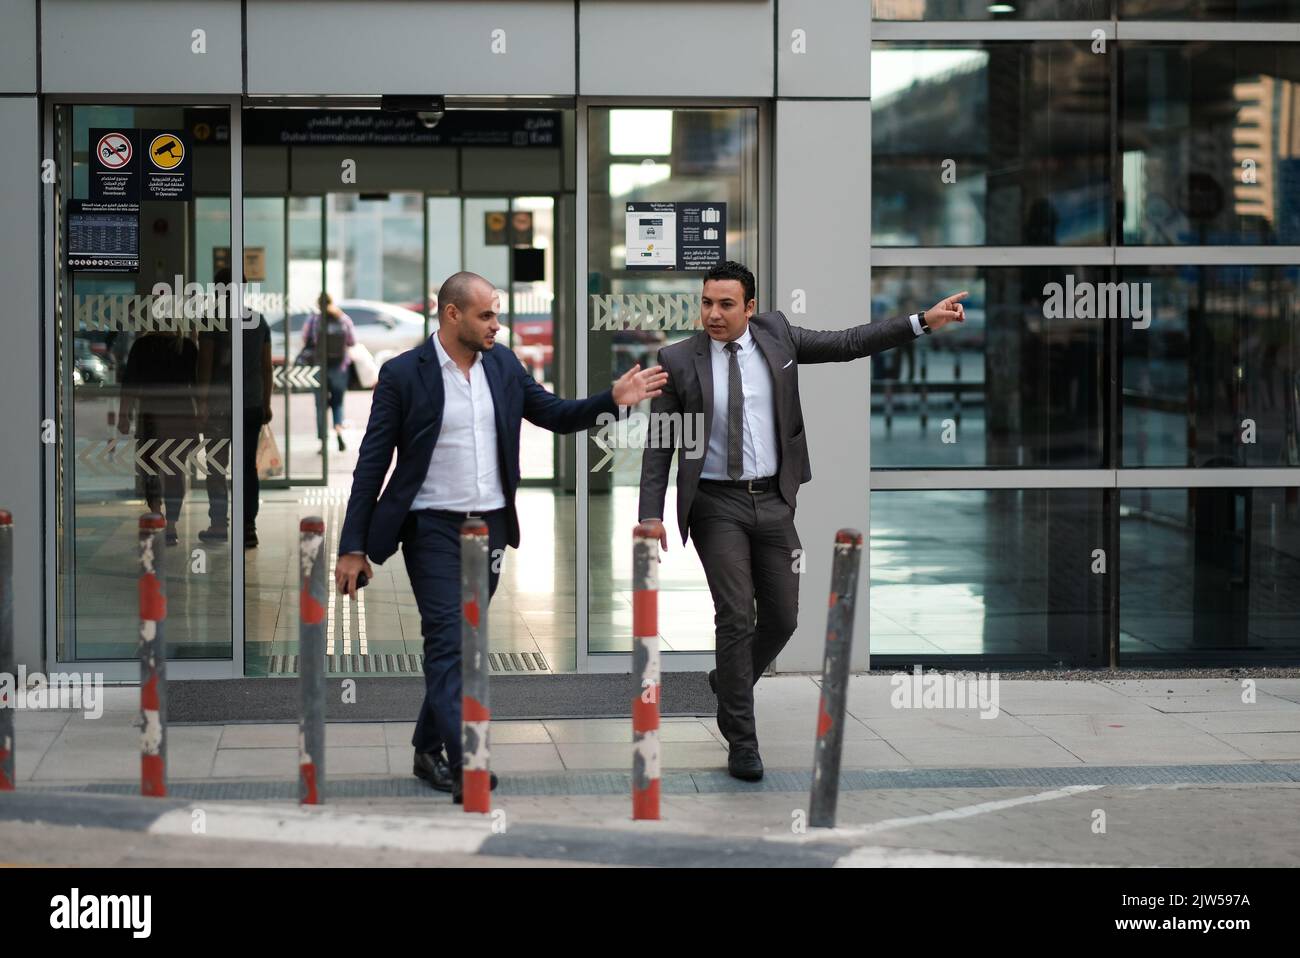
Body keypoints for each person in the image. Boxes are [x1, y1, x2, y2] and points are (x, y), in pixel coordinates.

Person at [334, 271, 667, 803]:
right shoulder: (404, 374)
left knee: (464, 643)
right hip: (430, 529)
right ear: (452, 315)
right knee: (449, 641)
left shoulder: (504, 364)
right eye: (486, 315)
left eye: (496, 314)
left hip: (488, 528)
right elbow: (372, 462)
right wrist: (352, 546)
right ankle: (468, 760)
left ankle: (426, 747)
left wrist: (612, 399)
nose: (497, 324)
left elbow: (553, 414)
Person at [637, 260, 967, 781]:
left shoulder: (778, 336)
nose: (714, 314)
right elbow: (661, 443)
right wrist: (650, 514)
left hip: (773, 500)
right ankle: (742, 741)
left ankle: (729, 679)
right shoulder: (678, 359)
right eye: (706, 303)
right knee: (735, 615)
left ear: (750, 307)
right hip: (715, 505)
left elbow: (849, 342)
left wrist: (921, 321)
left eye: (726, 304)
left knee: (783, 618)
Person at [196, 268, 274, 548]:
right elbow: (266, 367)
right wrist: (266, 403)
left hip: (219, 407)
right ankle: (248, 528)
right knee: (246, 468)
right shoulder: (258, 320)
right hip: (251, 405)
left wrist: (201, 404)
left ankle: (219, 524)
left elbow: (205, 365)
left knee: (217, 467)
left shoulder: (212, 320)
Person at [117, 327, 200, 546]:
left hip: (151, 413)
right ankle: (171, 525)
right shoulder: (186, 347)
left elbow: (130, 384)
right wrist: (201, 413)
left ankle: (156, 513)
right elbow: (196, 385)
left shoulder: (143, 346)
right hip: (179, 415)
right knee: (174, 470)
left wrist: (123, 414)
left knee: (151, 467)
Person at [301, 292, 355, 452]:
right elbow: (352, 341)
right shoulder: (343, 318)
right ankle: (339, 432)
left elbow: (305, 338)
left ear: (318, 304)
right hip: (339, 367)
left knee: (320, 405)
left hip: (320, 367)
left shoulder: (314, 319)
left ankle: (323, 443)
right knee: (338, 403)